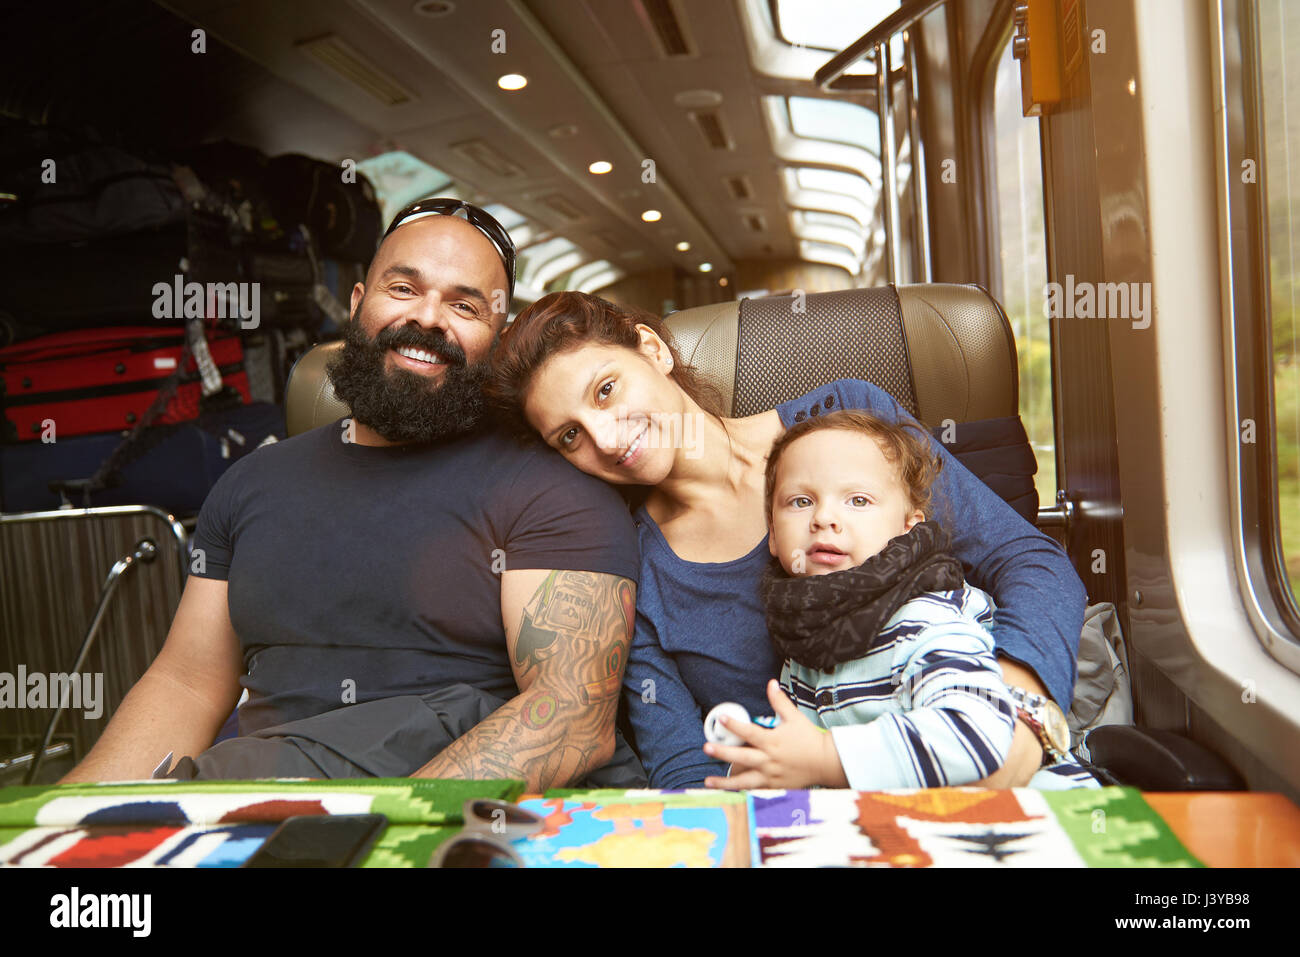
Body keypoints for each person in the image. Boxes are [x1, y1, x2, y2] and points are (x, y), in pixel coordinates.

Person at [61, 200, 643, 791]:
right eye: (403, 288)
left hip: (450, 812)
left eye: (465, 305)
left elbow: (569, 716)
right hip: (261, 798)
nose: (428, 318)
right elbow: (186, 683)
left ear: (497, 339)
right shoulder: (251, 482)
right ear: (357, 302)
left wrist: (372, 830)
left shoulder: (551, 484)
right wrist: (64, 826)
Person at [490, 291, 1089, 789]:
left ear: (652, 351)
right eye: (570, 436)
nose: (606, 436)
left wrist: (1019, 719)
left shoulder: (847, 418)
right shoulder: (631, 565)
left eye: (606, 390)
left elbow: (1027, 559)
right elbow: (683, 766)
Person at [700, 409, 1098, 790]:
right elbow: (802, 757)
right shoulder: (801, 638)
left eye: (858, 501)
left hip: (1037, 818)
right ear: (772, 534)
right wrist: (756, 755)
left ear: (908, 528)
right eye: (800, 501)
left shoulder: (926, 619)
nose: (823, 518)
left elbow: (978, 736)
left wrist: (824, 755)